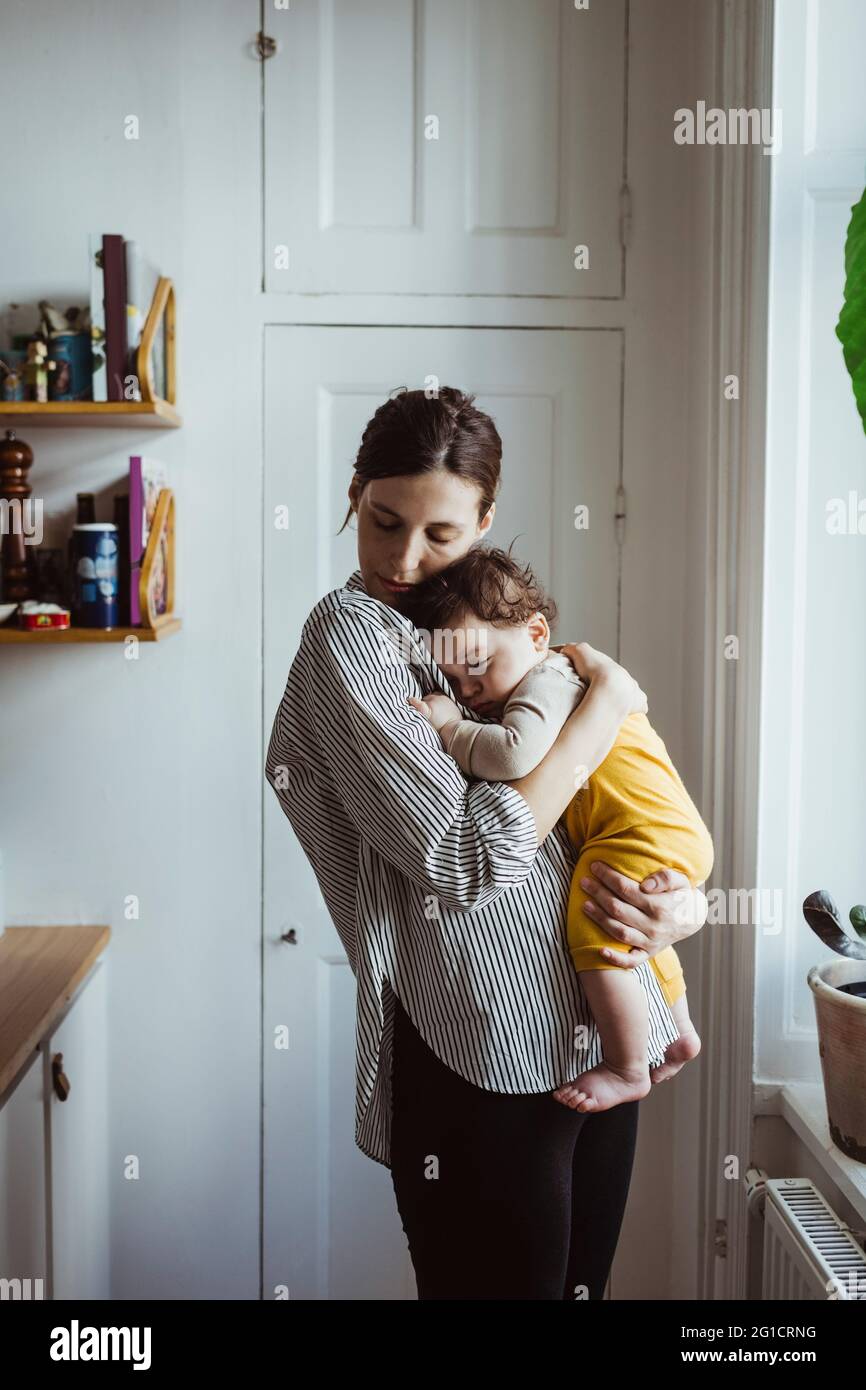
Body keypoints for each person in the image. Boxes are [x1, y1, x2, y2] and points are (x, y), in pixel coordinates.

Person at [265, 386, 709, 1300]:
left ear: (485, 521)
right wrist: (605, 710)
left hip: (595, 1026)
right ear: (354, 495)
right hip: (477, 1044)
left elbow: (601, 814)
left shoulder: (478, 622)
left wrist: (680, 903)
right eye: (384, 522)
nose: (404, 559)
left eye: (440, 534)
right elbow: (461, 862)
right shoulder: (352, 637)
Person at [400, 544, 714, 1117]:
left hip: (634, 829)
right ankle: (679, 1030)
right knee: (632, 931)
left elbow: (512, 755)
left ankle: (625, 1067)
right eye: (455, 680)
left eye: (477, 664)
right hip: (657, 827)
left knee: (597, 925)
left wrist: (449, 727)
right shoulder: (551, 679)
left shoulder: (548, 681)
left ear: (537, 634)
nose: (468, 690)